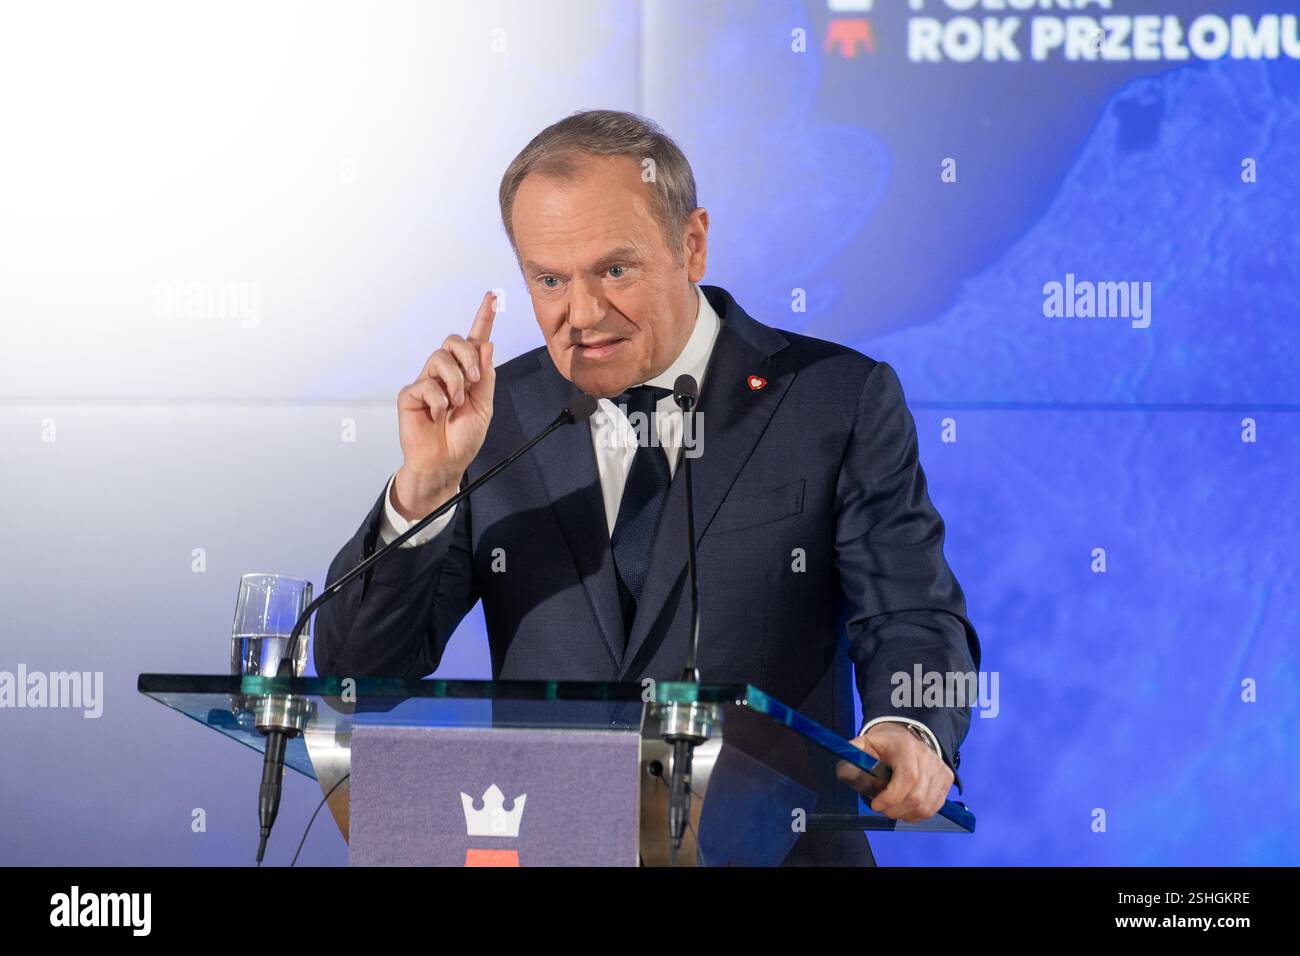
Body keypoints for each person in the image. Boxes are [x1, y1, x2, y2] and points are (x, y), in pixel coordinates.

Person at [314, 109, 980, 865]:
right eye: (551, 279)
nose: (583, 314)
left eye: (615, 270)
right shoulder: (496, 415)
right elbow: (357, 673)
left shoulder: (833, 399)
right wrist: (426, 486)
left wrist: (910, 725)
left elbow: (911, 613)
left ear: (691, 244)